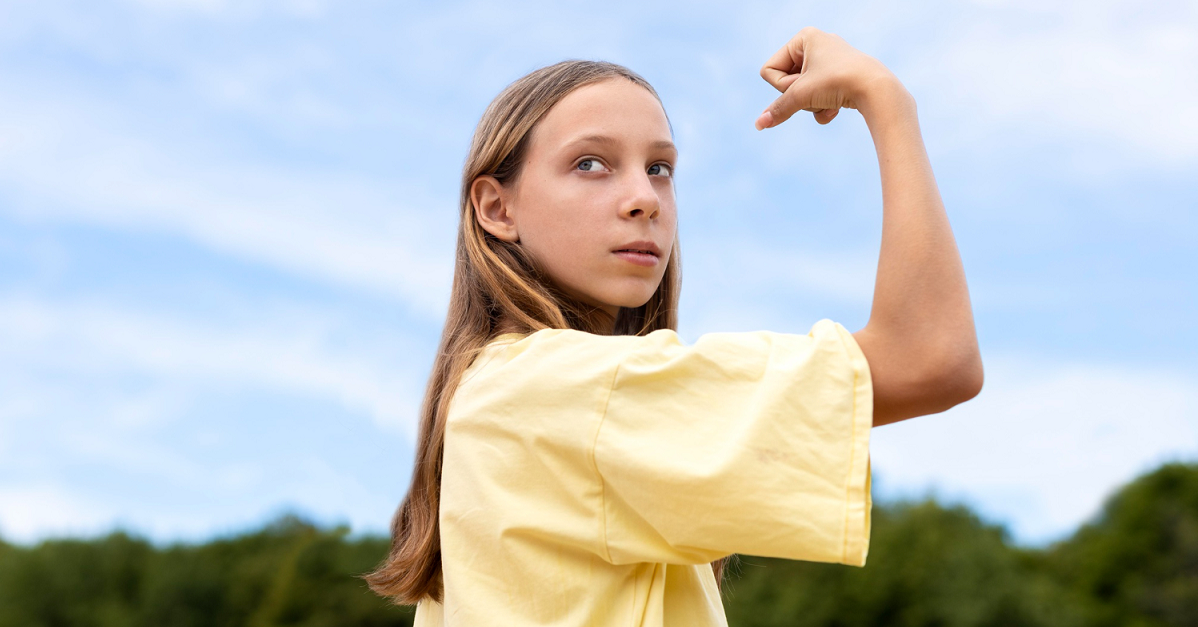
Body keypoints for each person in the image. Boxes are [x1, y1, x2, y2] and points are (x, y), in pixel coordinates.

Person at [365, 26, 983, 626]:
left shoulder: (500, 392)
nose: (645, 197)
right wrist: (885, 99)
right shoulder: (551, 391)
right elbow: (931, 358)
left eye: (659, 168)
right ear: (497, 208)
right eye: (590, 163)